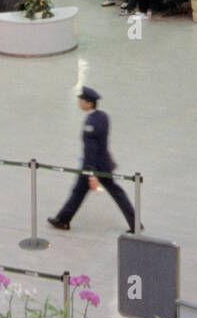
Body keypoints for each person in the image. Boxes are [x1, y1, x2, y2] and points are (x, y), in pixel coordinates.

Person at [48, 88, 136, 233]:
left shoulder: (90, 124)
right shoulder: (103, 116)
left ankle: (63, 220)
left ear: (89, 104)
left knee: (80, 191)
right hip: (104, 163)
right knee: (109, 192)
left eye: (82, 100)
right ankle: (135, 223)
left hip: (93, 165)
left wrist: (91, 173)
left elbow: (91, 149)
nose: (80, 103)